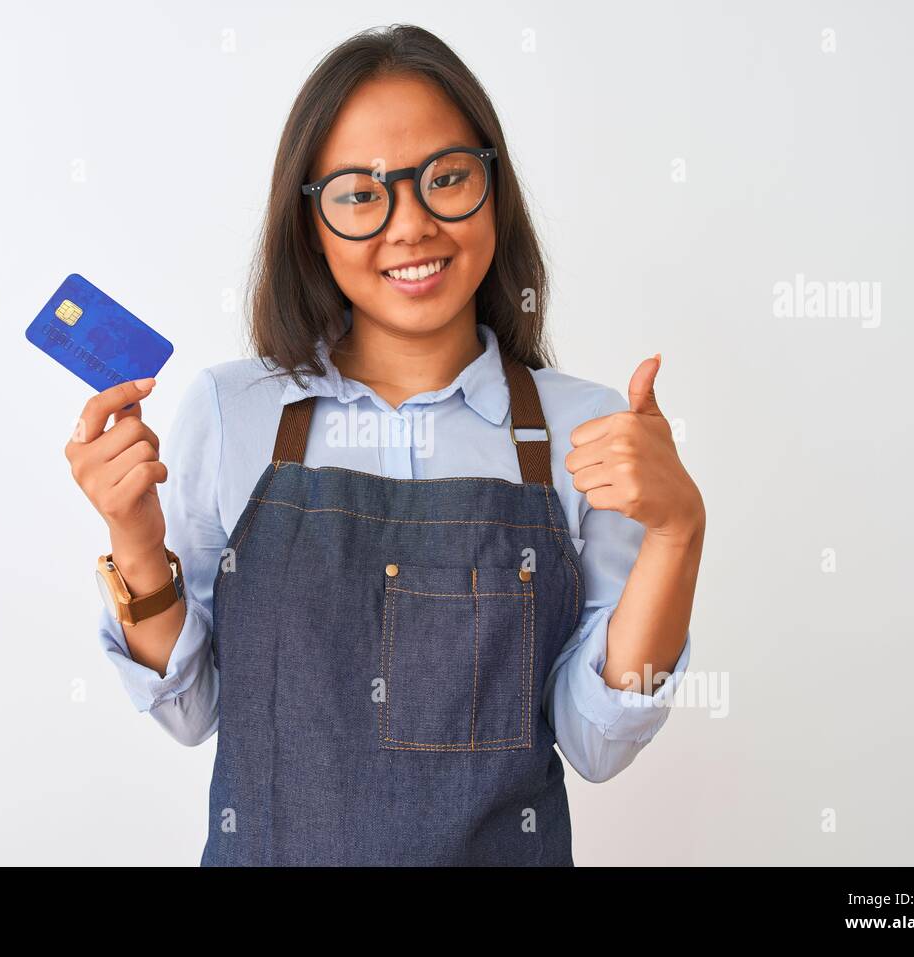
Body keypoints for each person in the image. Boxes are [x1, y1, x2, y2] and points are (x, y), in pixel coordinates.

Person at [65, 24, 705, 866]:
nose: (411, 226)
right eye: (362, 194)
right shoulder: (233, 410)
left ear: (492, 188)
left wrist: (678, 531)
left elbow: (597, 743)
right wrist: (137, 543)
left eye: (445, 178)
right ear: (310, 223)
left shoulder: (584, 430)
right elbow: (191, 713)